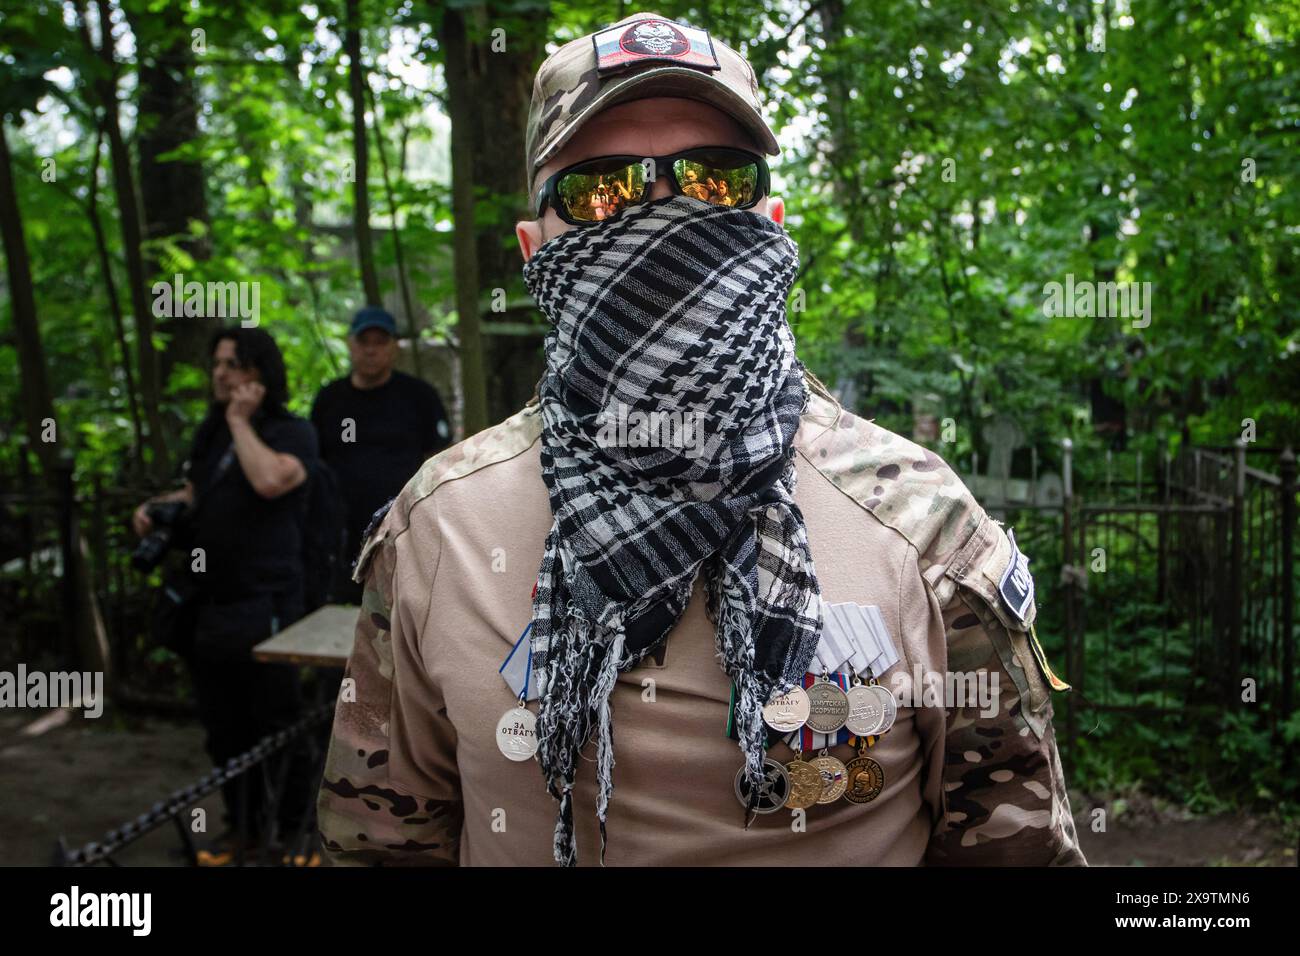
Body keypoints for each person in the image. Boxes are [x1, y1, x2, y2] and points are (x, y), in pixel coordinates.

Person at [318, 11, 1085, 867]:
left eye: (714, 177)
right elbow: (381, 844)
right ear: (534, 248)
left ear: (773, 221)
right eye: (599, 188)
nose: (664, 212)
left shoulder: (919, 523)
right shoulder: (439, 532)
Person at [133, 325, 318, 866]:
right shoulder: (212, 433)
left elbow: (269, 481)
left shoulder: (291, 431)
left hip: (266, 606)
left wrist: (241, 421)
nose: (219, 374)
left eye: (231, 364)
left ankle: (293, 836)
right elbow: (198, 489)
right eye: (216, 364)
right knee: (224, 729)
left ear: (257, 373)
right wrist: (156, 508)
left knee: (277, 724)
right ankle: (243, 830)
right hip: (211, 605)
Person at [310, 306, 451, 604]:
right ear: (351, 345)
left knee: (400, 609)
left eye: (380, 342)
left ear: (394, 347)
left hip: (402, 529)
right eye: (364, 342)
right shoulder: (330, 398)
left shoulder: (419, 396)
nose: (371, 350)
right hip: (341, 532)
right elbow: (315, 463)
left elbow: (439, 461)